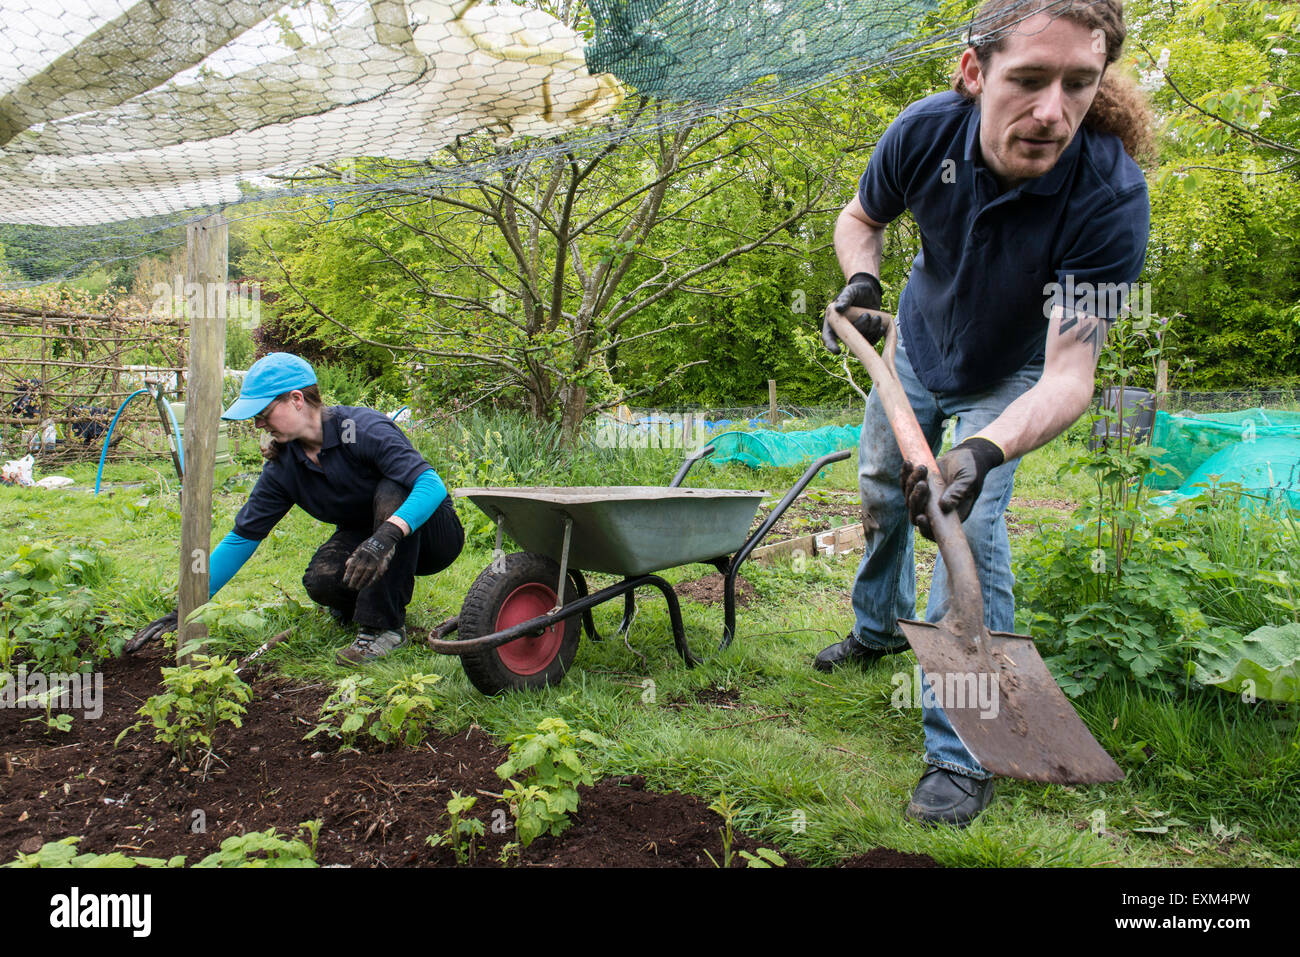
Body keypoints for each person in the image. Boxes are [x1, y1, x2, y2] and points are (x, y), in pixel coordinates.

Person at [816, 0, 1151, 825]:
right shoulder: (925, 134)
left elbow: (1072, 377)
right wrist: (861, 284)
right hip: (919, 346)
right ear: (974, 71)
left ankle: (961, 751)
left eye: (1080, 83)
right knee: (884, 493)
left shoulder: (1109, 195)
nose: (1053, 112)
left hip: (1014, 375)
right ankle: (874, 629)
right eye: (1030, 80)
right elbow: (861, 220)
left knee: (965, 530)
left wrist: (983, 454)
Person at [130, 352, 464, 666]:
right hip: (366, 540)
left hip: (432, 536)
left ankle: (383, 627)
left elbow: (431, 485)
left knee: (396, 485)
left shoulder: (360, 429)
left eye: (263, 413)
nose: (259, 424)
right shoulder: (285, 466)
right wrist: (187, 607)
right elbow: (242, 538)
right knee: (321, 581)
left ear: (296, 399)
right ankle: (367, 602)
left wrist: (384, 538)